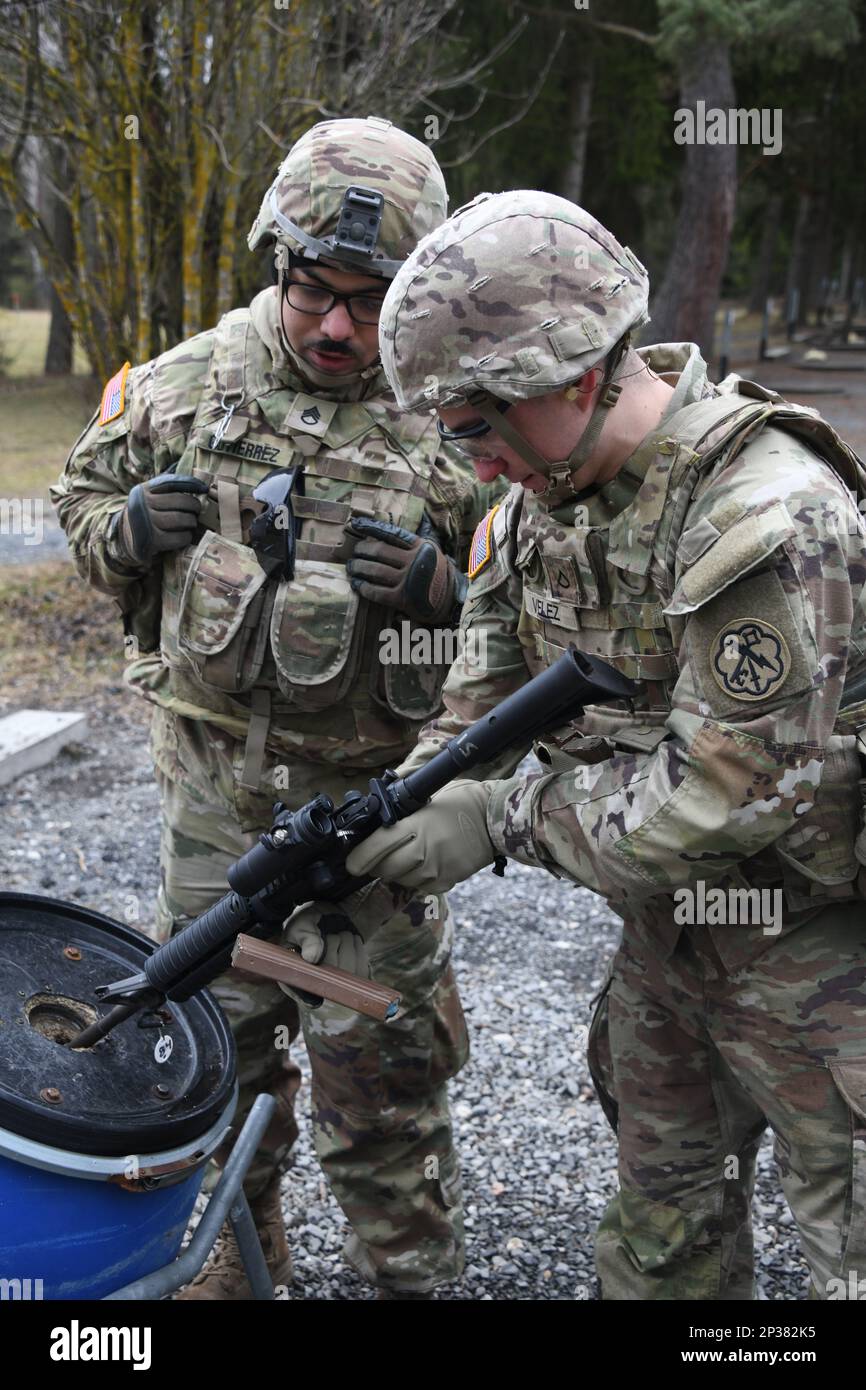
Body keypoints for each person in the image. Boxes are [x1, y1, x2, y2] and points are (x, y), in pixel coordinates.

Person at [332, 188, 866, 1300]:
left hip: (826, 960)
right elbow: (470, 716)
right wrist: (369, 836)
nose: (473, 464)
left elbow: (725, 792)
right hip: (668, 956)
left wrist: (501, 820)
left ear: (574, 376)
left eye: (479, 427)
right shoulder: (537, 507)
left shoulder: (763, 514)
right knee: (659, 1246)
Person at [50, 118, 504, 1301]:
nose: (339, 327)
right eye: (316, 292)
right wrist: (124, 531)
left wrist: (445, 589)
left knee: (382, 1095)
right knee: (213, 1074)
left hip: (376, 828)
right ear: (277, 265)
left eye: (371, 298)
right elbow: (84, 500)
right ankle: (232, 1278)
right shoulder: (186, 382)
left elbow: (535, 607)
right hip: (216, 811)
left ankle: (407, 1281)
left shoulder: (460, 411)